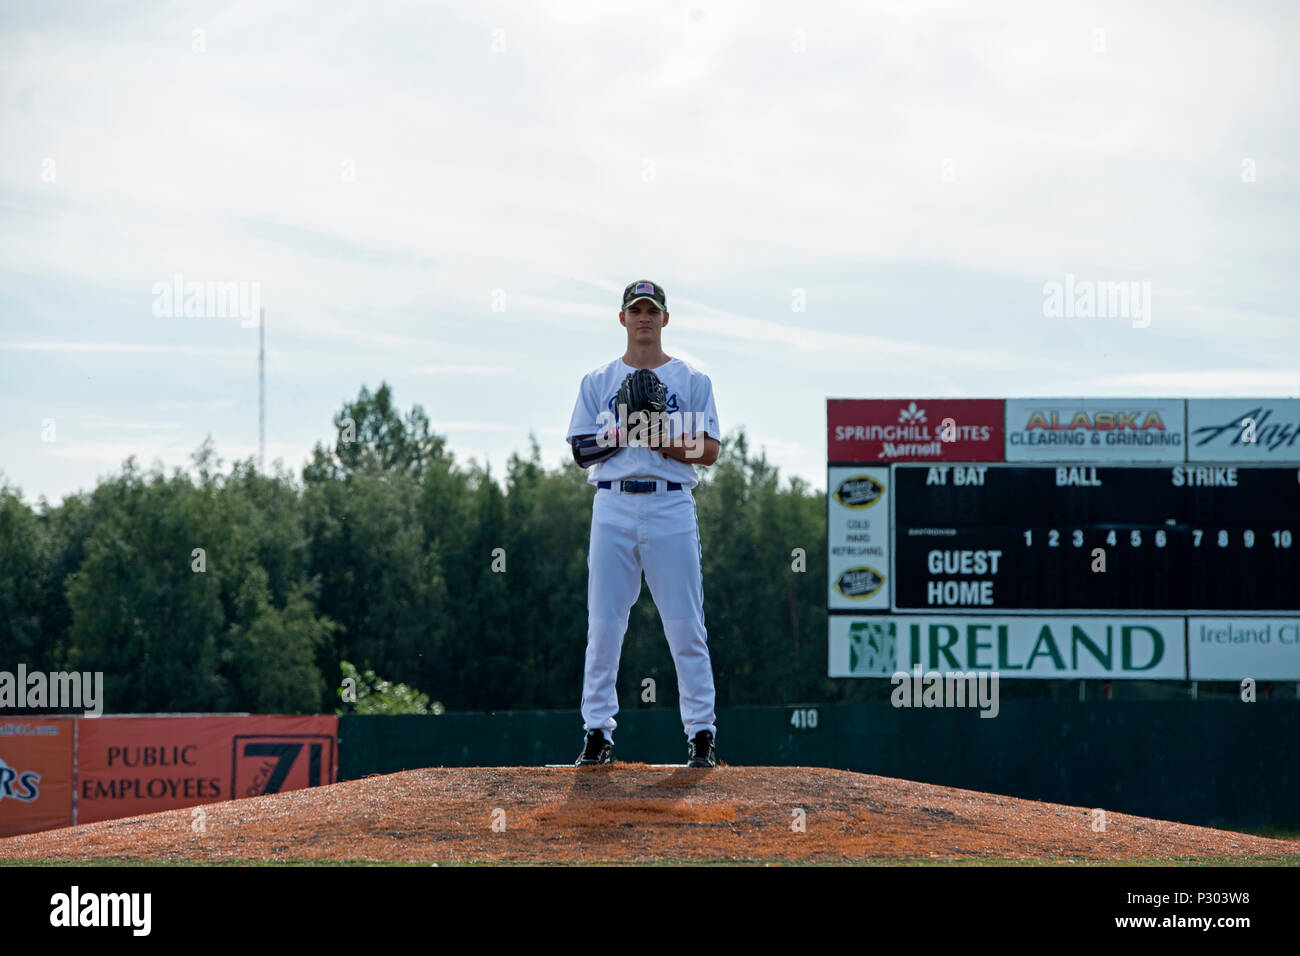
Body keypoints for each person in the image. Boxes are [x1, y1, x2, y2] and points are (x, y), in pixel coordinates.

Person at [565, 280, 722, 768]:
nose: (644, 318)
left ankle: (701, 735)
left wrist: (660, 439)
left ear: (665, 319)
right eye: (636, 310)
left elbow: (710, 451)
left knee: (685, 625)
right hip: (612, 503)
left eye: (652, 310)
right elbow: (579, 451)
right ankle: (597, 733)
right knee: (605, 624)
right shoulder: (598, 380)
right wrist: (622, 435)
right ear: (622, 318)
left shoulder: (692, 379)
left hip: (671, 502)